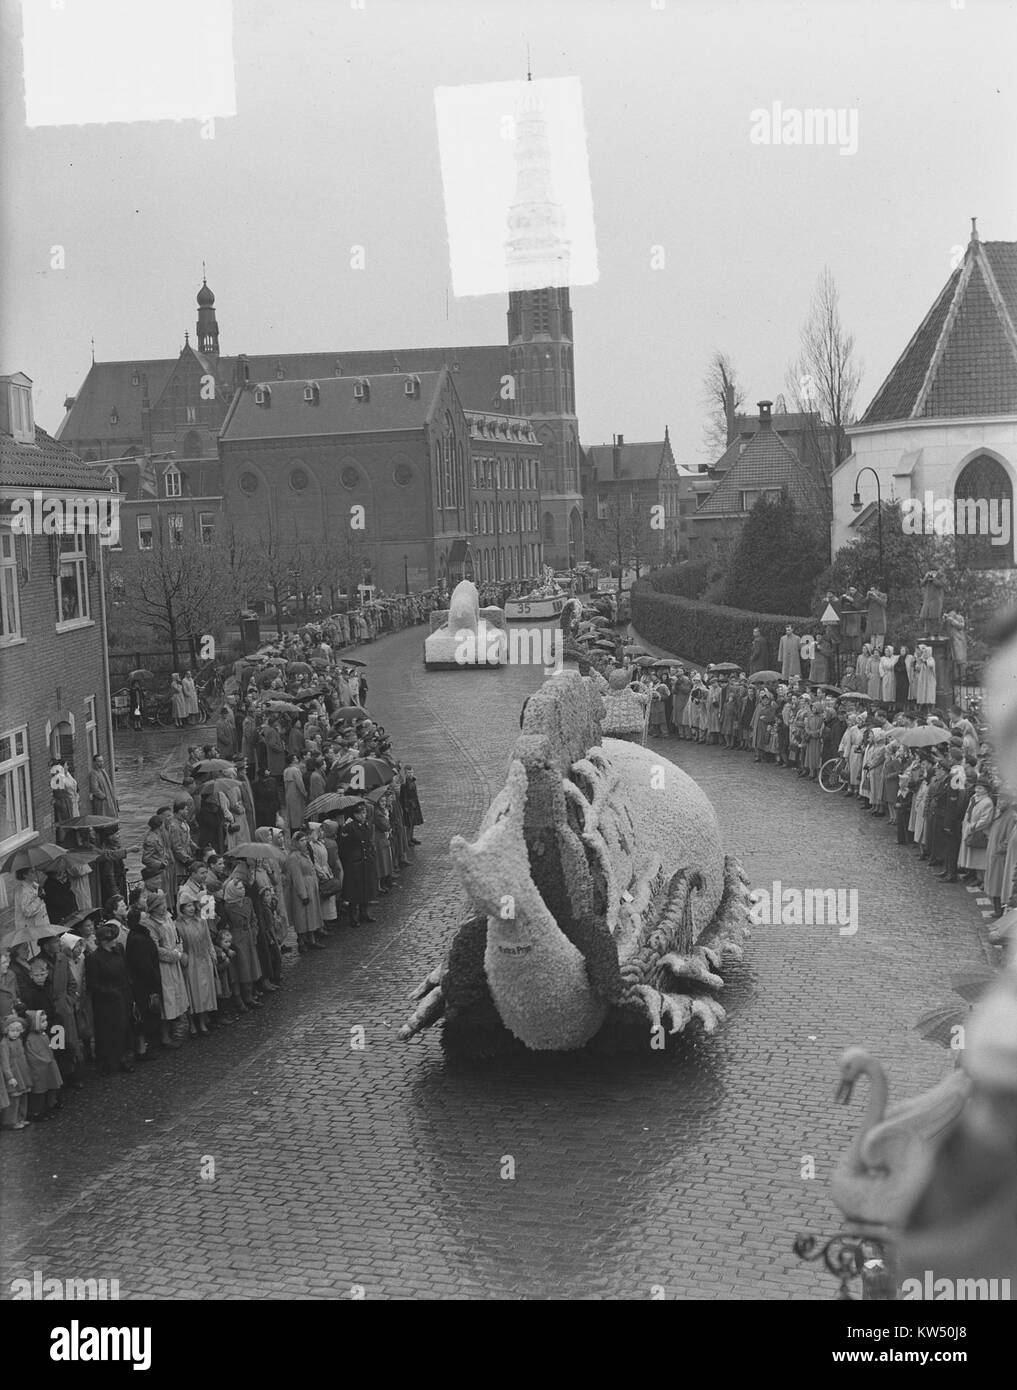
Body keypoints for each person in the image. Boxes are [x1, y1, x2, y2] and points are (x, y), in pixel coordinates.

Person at [85, 921, 135, 1074]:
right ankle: (109, 1063)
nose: (115, 941)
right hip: (106, 1002)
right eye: (112, 939)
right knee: (109, 1032)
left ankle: (124, 1058)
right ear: (104, 942)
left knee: (125, 1028)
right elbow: (93, 983)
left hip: (122, 995)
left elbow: (126, 970)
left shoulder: (118, 950)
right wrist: (110, 992)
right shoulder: (94, 959)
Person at [143, 890, 190, 1046]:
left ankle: (174, 1028)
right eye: (159, 906)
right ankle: (165, 1036)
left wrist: (179, 949)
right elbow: (155, 949)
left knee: (176, 998)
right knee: (167, 1001)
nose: (163, 908)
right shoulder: (150, 924)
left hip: (174, 962)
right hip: (163, 967)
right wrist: (174, 955)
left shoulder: (168, 918)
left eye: (163, 904)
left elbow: (177, 937)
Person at [125, 899, 162, 1061]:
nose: (147, 918)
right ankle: (142, 1049)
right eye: (144, 917)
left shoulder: (140, 935)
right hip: (143, 985)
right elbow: (143, 965)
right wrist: (154, 980)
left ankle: (145, 1047)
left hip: (146, 982)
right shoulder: (137, 939)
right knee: (143, 1016)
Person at [176, 897, 218, 1036]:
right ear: (182, 908)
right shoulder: (178, 924)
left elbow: (208, 939)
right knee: (191, 992)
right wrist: (183, 956)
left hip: (203, 958)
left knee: (204, 991)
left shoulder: (201, 921)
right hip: (191, 960)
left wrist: (212, 954)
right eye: (187, 906)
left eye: (192, 905)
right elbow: (178, 943)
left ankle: (202, 1021)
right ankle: (192, 1024)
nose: (191, 908)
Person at [958, 777, 994, 890]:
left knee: (980, 858)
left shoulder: (987, 802)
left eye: (980, 788)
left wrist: (973, 826)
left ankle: (984, 880)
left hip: (979, 833)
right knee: (973, 856)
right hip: (969, 829)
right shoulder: (974, 798)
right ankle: (977, 877)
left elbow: (986, 820)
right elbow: (968, 811)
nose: (977, 790)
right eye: (977, 788)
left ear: (986, 790)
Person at [0, 1016, 31, 1129]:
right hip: (14, 1074)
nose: (15, 1034)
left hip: (22, 1073)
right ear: (7, 1030)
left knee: (23, 1096)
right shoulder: (4, 1044)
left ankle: (21, 1118)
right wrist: (9, 1077)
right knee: (14, 1098)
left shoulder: (19, 1041)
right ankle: (11, 1121)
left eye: (18, 1031)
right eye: (13, 1031)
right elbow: (5, 1063)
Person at [283, 754, 308, 835]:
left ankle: (292, 835)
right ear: (293, 760)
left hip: (288, 796)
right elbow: (300, 784)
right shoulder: (296, 770)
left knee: (291, 817)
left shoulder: (286, 770)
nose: (297, 758)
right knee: (297, 818)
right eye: (296, 758)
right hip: (296, 796)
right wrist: (305, 793)